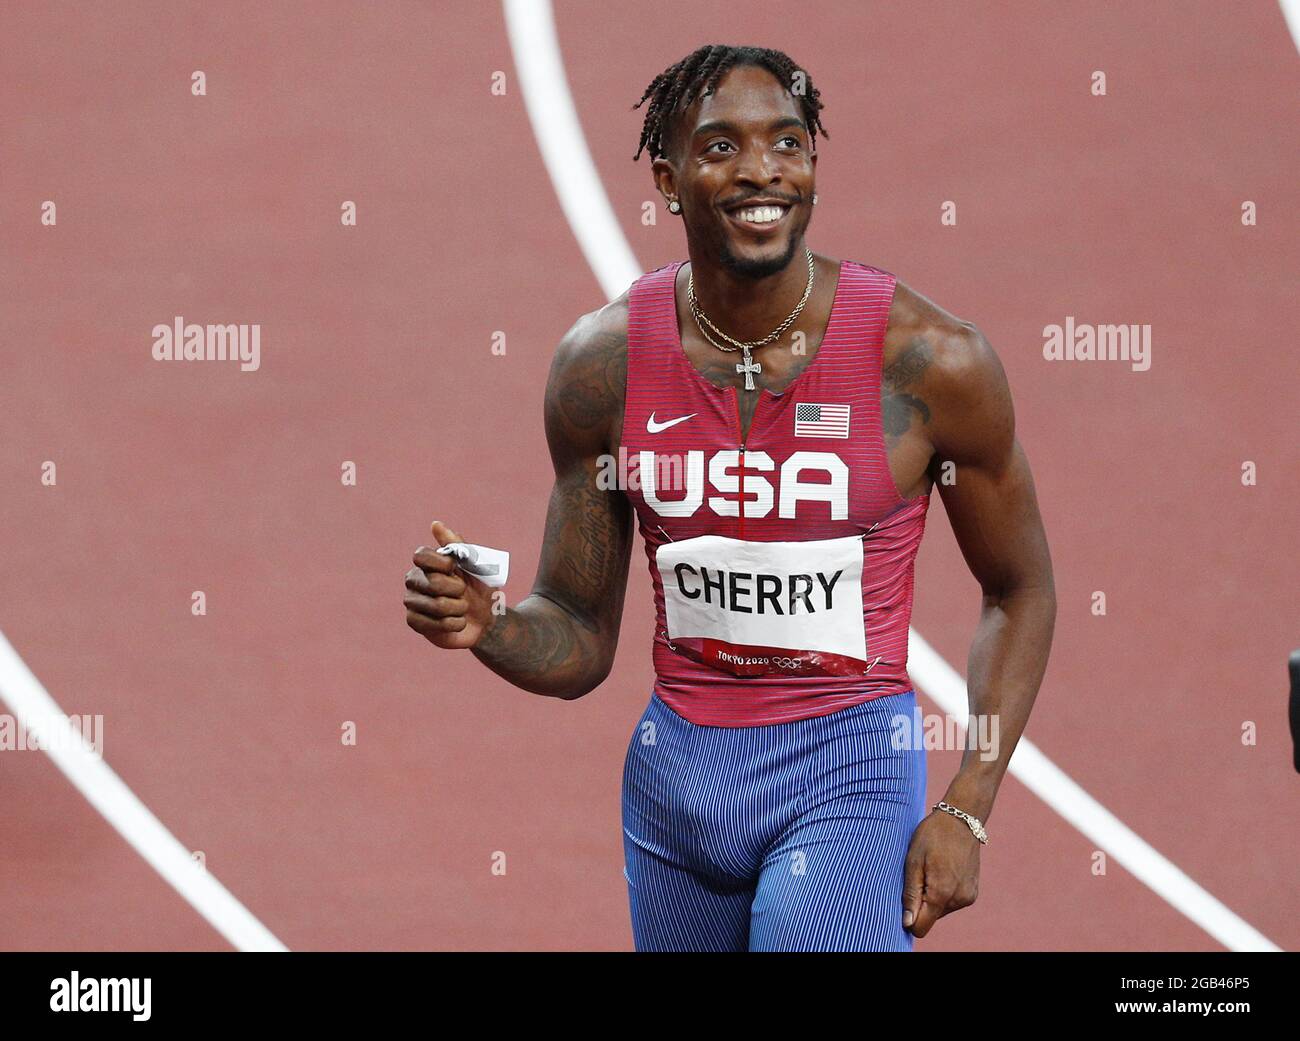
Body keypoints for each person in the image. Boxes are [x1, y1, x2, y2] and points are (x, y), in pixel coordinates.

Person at [405, 44, 1056, 951]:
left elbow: (1019, 588)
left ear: (813, 166)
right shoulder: (602, 367)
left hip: (851, 771)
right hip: (677, 789)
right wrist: (490, 626)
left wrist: (969, 806)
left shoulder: (930, 360)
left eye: (787, 144)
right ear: (669, 181)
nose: (761, 171)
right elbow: (581, 635)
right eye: (722, 148)